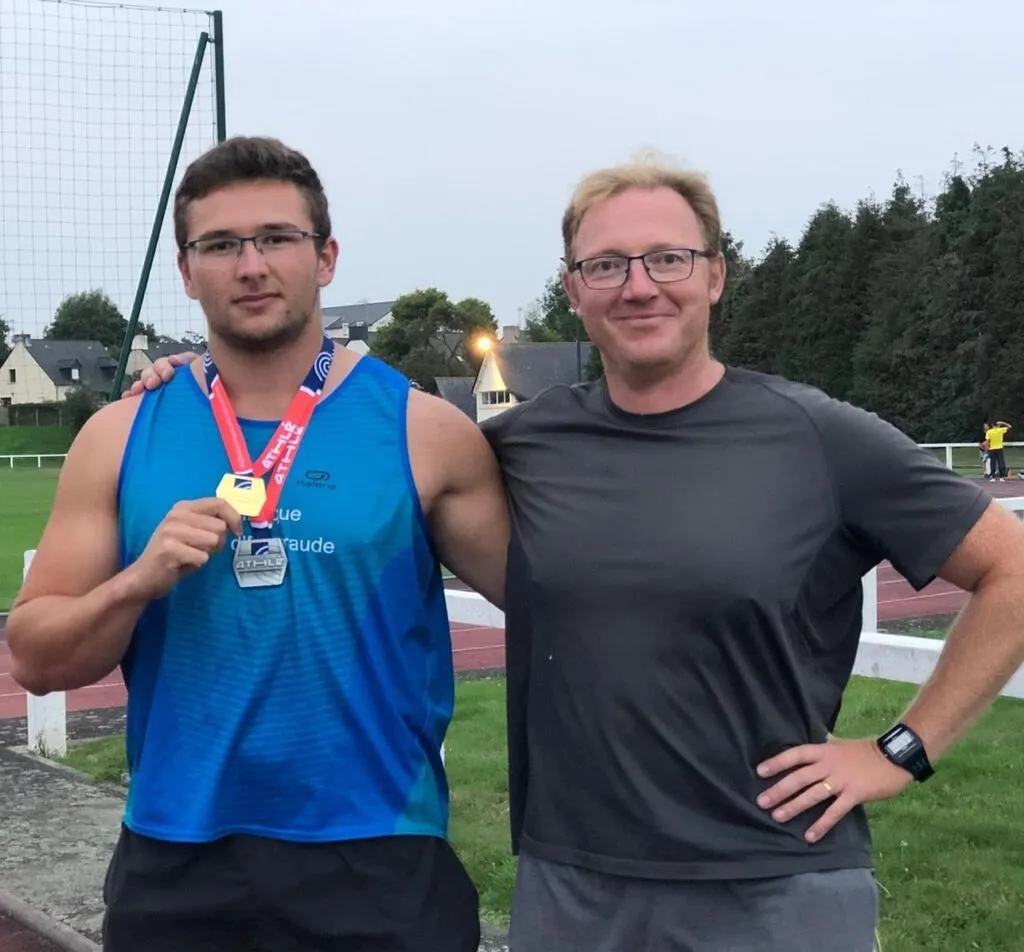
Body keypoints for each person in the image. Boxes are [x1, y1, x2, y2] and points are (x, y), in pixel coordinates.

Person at [128, 156, 1024, 952]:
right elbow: (344, 427)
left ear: (716, 276)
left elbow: (1010, 570)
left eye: (668, 259)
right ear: (572, 287)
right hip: (570, 886)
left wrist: (901, 748)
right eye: (606, 265)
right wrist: (190, 373)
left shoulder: (819, 437)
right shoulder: (524, 443)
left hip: (776, 882)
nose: (639, 286)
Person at [7, 136, 510, 952]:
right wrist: (137, 581)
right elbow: (35, 656)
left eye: (277, 238)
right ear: (186, 270)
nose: (251, 265)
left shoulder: (425, 432)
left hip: (379, 859)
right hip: (179, 859)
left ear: (326, 257)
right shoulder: (120, 434)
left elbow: (564, 604)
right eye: (220, 245)